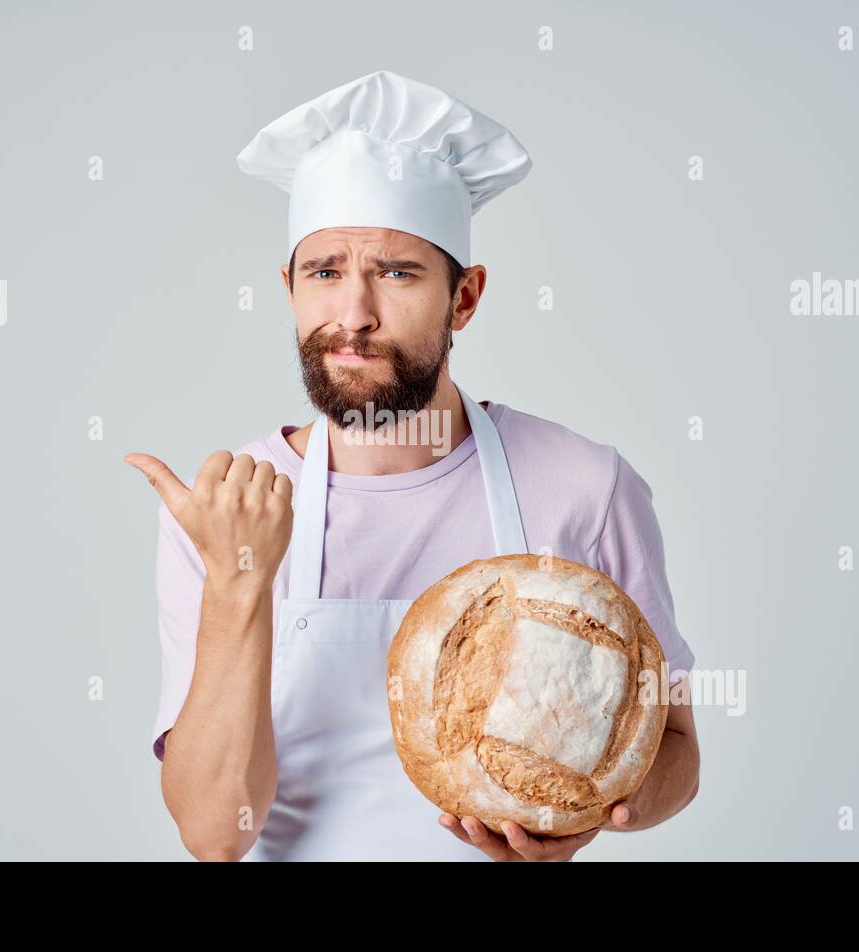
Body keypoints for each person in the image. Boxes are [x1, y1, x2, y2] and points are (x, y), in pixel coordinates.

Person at [126, 70, 700, 861]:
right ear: (289, 288)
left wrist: (585, 821)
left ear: (464, 298)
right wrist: (238, 583)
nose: (354, 313)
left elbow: (674, 750)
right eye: (325, 271)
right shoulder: (226, 512)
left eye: (396, 272)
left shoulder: (585, 487)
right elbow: (214, 832)